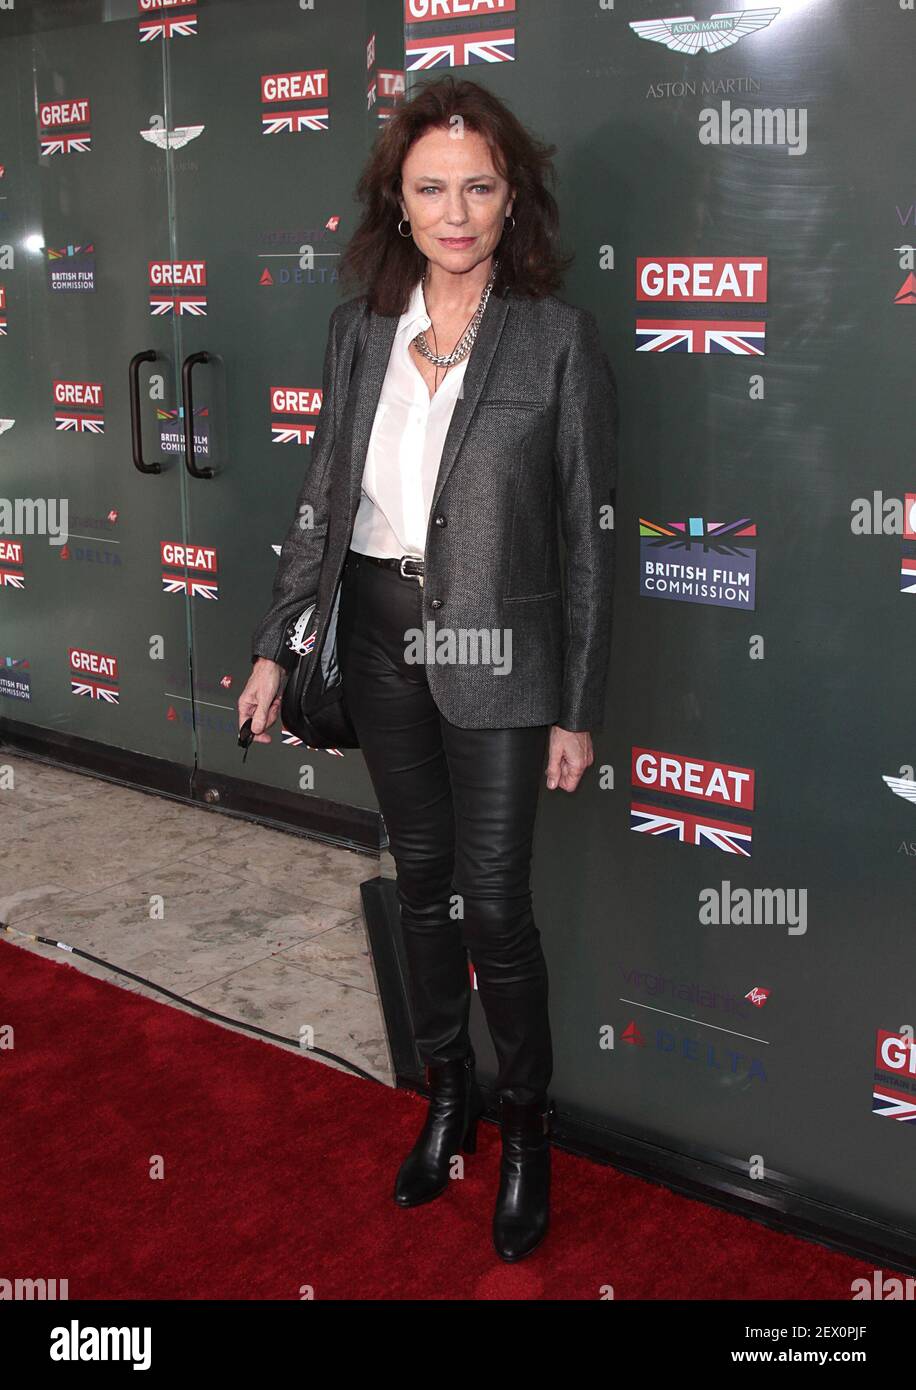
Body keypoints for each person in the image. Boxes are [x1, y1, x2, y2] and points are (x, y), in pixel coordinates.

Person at [238, 74, 618, 1263]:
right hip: (377, 635)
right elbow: (320, 499)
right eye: (430, 188)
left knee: (495, 905)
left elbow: (589, 534)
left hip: (503, 659)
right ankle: (446, 1098)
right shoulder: (360, 333)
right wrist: (274, 637)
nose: (455, 210)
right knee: (421, 886)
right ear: (397, 205)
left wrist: (576, 704)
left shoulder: (557, 342)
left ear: (513, 202)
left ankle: (528, 1125)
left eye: (478, 187)